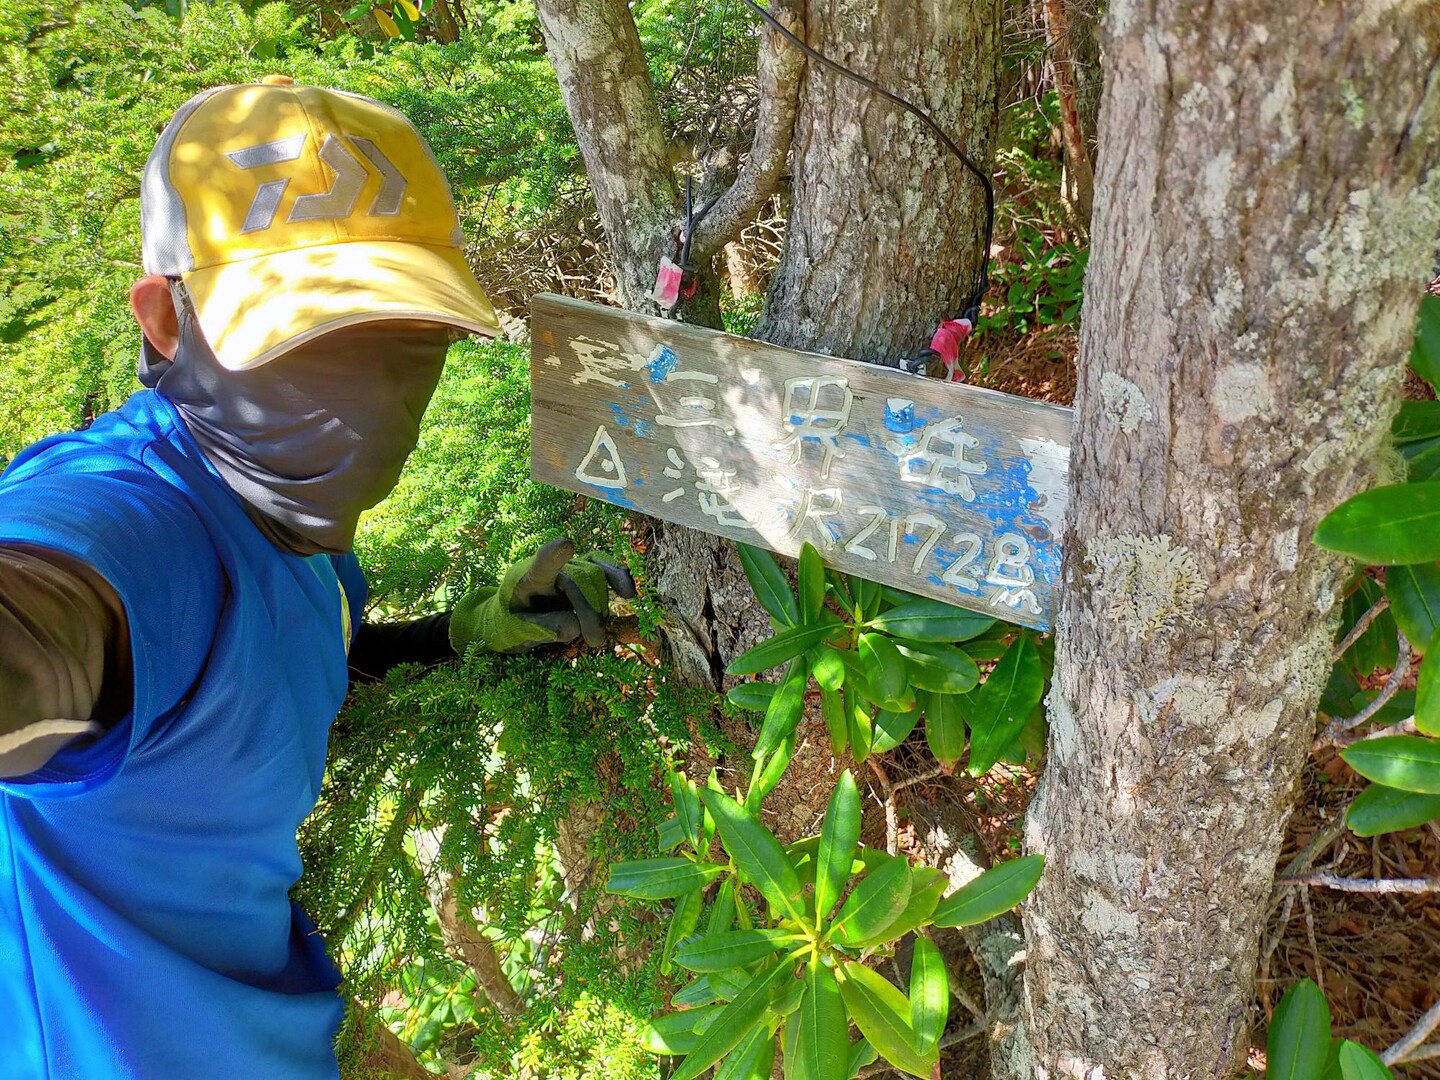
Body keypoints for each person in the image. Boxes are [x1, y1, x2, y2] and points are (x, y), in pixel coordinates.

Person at [0, 77, 633, 1078]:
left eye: (404, 331)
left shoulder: (294, 532)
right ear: (165, 318)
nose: (365, 384)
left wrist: (454, 636)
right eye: (299, 338)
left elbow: (265, 673)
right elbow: (47, 626)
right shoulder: (128, 521)